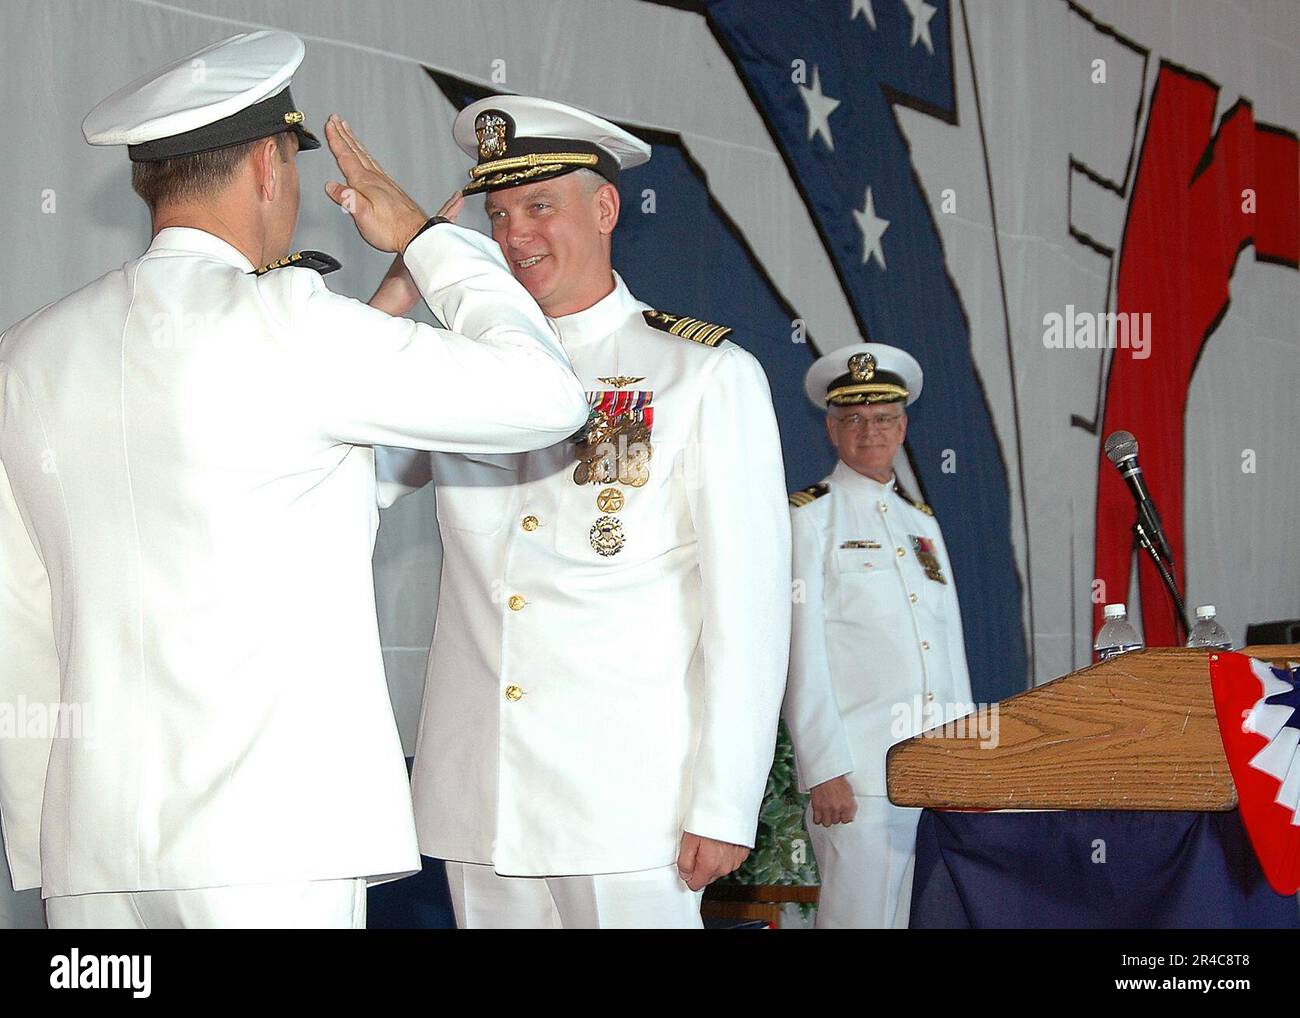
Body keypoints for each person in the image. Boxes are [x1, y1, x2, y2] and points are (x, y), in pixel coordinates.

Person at [0, 32, 588, 929]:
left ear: (145, 180)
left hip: (97, 854)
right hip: (272, 850)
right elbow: (546, 398)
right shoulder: (291, 328)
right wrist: (431, 245)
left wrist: (45, 845)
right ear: (272, 167)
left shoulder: (29, 354)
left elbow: (19, 623)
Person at [377, 95, 791, 928]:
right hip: (482, 798)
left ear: (604, 208)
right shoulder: (458, 370)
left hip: (630, 804)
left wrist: (725, 798)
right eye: (497, 214)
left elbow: (747, 607)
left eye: (539, 206)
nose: (515, 235)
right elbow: (338, 470)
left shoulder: (702, 374)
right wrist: (392, 307)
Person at [783, 343, 973, 928]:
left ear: (904, 425)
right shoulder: (809, 517)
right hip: (858, 776)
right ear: (831, 429)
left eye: (884, 418)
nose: (871, 431)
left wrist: (965, 763)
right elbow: (800, 653)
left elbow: (949, 650)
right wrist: (824, 768)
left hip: (929, 770)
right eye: (854, 419)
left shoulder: (922, 521)